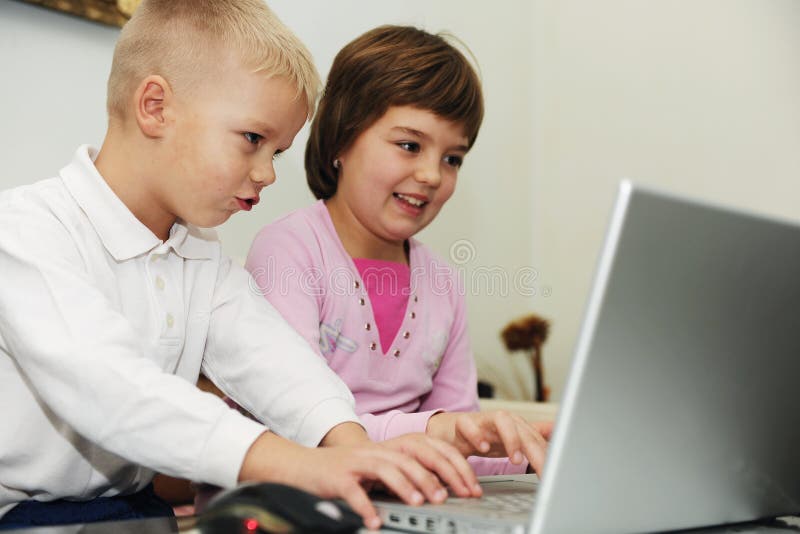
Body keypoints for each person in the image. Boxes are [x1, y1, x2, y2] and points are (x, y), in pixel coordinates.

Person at [0, 3, 482, 531]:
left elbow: (274, 360)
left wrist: (349, 444)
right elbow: (110, 387)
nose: (268, 173)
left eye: (277, 152)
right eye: (254, 139)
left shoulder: (198, 253)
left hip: (135, 512)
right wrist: (297, 463)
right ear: (155, 107)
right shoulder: (25, 231)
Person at [245, 25, 552, 478]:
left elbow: (460, 438)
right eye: (410, 145)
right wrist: (437, 433)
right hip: (295, 500)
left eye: (453, 158)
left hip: (401, 501)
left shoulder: (442, 283)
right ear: (341, 141)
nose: (432, 174)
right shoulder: (288, 252)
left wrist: (529, 450)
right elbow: (294, 427)